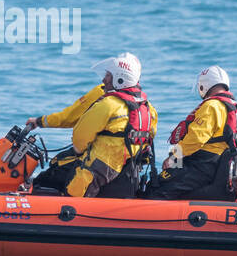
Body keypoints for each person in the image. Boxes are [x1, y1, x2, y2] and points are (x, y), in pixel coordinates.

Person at [26, 53, 158, 198]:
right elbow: (149, 138)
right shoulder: (148, 108)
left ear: (120, 79)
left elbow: (79, 138)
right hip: (128, 171)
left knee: (51, 178)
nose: (103, 80)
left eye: (108, 76)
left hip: (97, 168)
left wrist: (79, 153)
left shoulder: (108, 104)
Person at [145, 65, 237, 200]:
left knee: (156, 189)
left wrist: (173, 158)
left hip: (202, 167)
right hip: (224, 168)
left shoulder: (211, 106)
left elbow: (195, 139)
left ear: (203, 86)